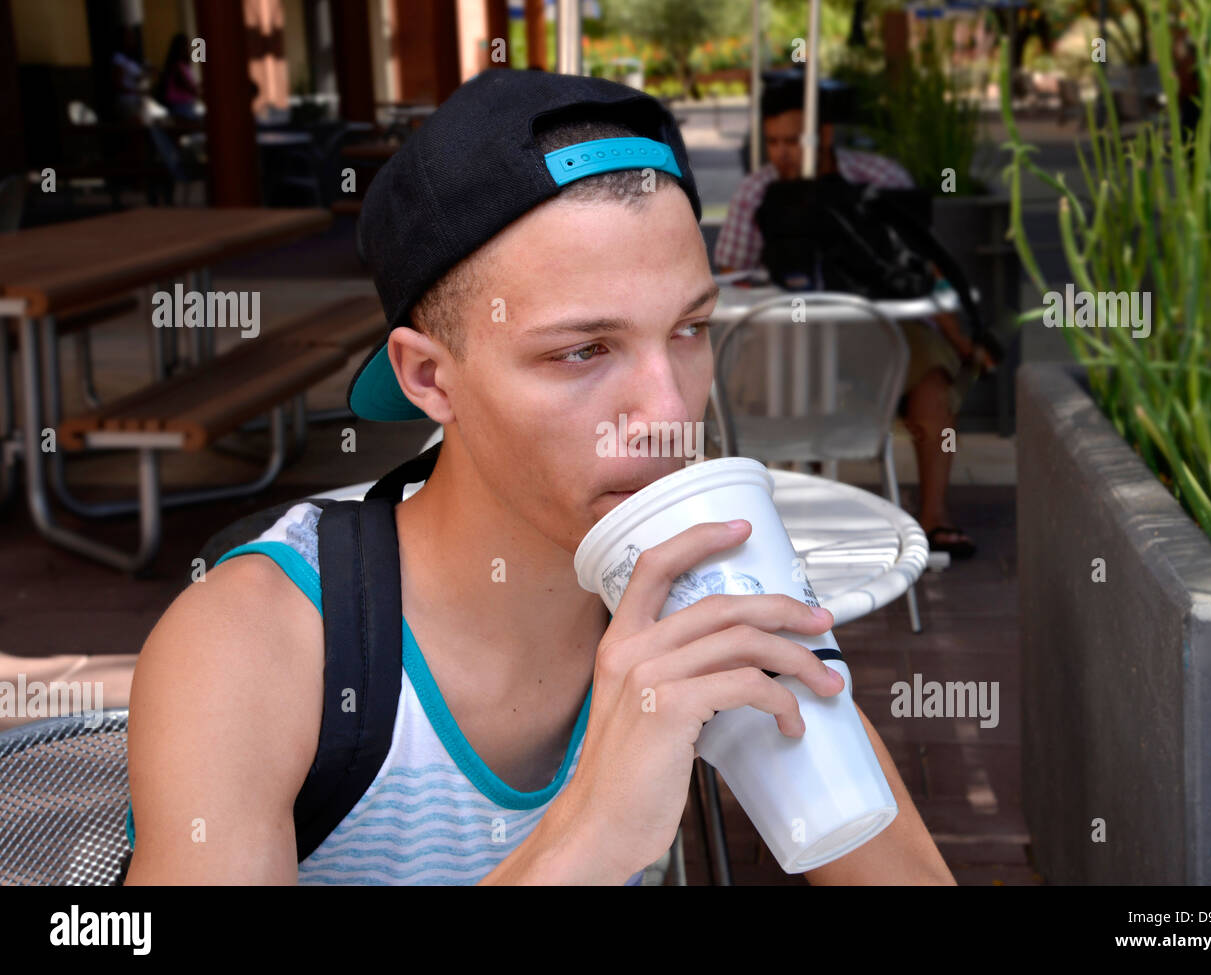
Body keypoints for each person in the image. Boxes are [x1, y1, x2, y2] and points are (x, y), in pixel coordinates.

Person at [123, 70, 955, 885]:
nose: (669, 414)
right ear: (430, 379)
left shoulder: (700, 591)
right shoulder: (254, 646)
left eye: (690, 328)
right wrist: (583, 842)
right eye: (583, 350)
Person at [714, 81, 995, 558]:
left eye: (793, 141)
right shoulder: (756, 192)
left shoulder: (880, 178)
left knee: (933, 382)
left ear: (824, 134)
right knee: (740, 381)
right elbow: (729, 274)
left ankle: (934, 518)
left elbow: (922, 266)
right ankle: (747, 527)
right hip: (785, 334)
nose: (782, 153)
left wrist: (961, 338)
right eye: (774, 142)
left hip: (876, 332)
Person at [153, 33, 204, 121]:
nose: (188, 49)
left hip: (186, 106)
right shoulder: (178, 67)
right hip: (180, 108)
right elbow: (190, 88)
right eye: (186, 46)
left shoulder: (184, 66)